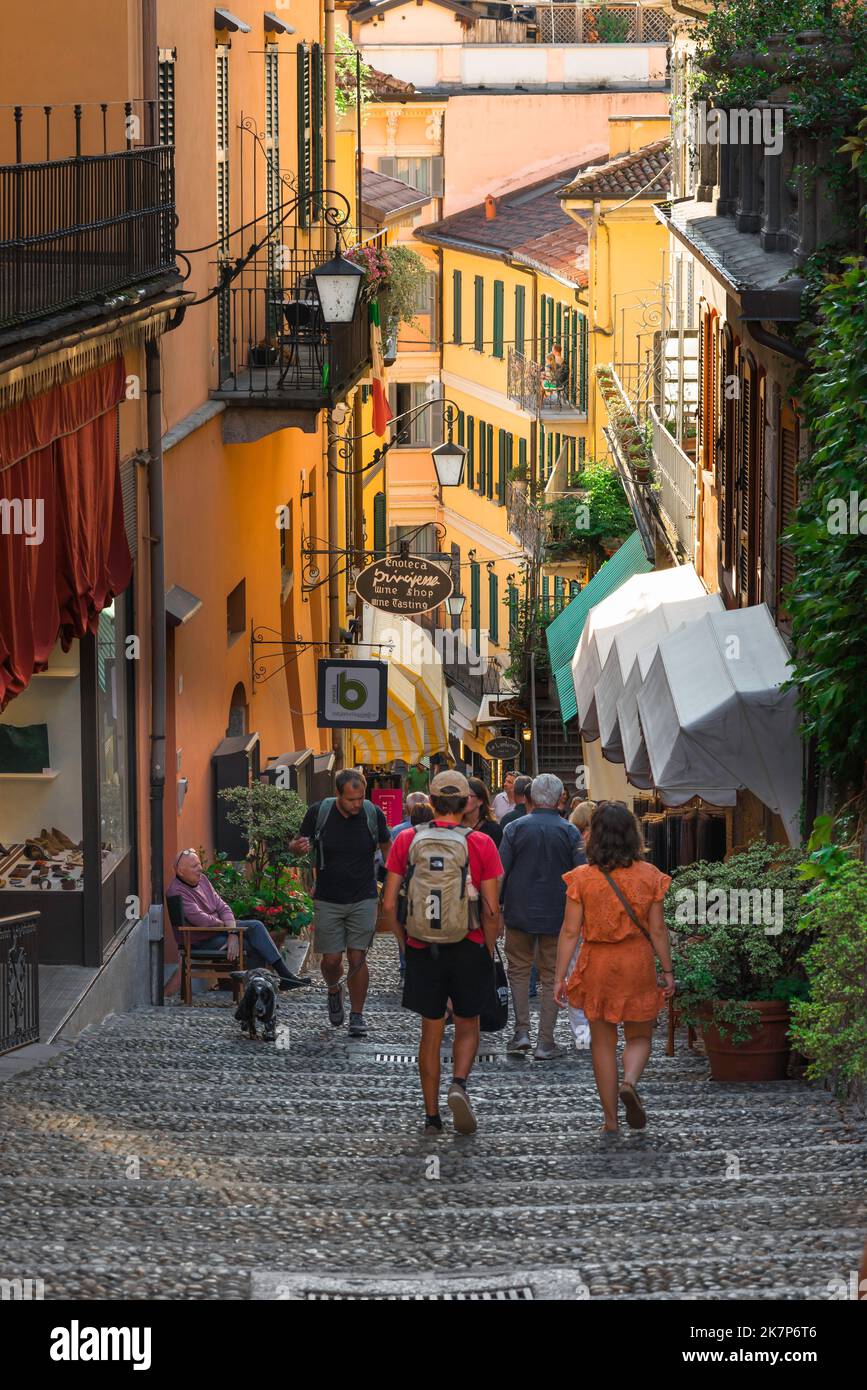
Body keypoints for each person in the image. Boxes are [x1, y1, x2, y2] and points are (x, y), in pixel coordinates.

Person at [382, 771, 502, 1137]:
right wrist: (488, 947)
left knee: (430, 1033)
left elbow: (388, 903)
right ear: (467, 803)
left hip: (423, 947)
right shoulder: (481, 843)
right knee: (468, 1025)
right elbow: (492, 909)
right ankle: (459, 1085)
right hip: (469, 944)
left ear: (430, 803)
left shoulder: (406, 839)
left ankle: (432, 1117)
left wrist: (407, 945)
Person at [554, 801, 675, 1133]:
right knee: (639, 1036)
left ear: (594, 837)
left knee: (602, 1043)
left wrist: (560, 976)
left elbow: (569, 931)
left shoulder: (581, 879)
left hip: (597, 964)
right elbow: (658, 930)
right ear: (632, 835)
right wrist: (667, 971)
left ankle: (610, 1121)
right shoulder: (650, 876)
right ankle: (630, 1082)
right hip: (635, 962)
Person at [290, 770, 391, 1038]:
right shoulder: (319, 812)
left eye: (361, 798)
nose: (357, 804)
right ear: (338, 795)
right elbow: (299, 842)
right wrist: (297, 847)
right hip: (328, 897)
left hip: (364, 896)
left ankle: (357, 1015)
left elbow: (386, 843)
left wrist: (391, 875)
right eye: (351, 799)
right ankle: (334, 988)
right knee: (332, 959)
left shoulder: (372, 813)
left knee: (357, 957)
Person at [500, 774, 586, 1060]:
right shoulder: (570, 832)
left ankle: (521, 1031)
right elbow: (581, 878)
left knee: (519, 971)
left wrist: (496, 909)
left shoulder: (514, 829)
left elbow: (502, 873)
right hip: (558, 917)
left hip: (518, 912)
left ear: (530, 798)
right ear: (561, 798)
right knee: (552, 975)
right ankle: (544, 1041)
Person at [168, 851, 310, 991]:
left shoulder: (203, 880)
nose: (200, 868)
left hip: (219, 931)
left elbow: (223, 907)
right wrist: (230, 930)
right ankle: (262, 988)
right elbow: (203, 921)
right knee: (254, 945)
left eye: (199, 864)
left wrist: (232, 933)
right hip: (200, 940)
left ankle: (279, 979)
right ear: (181, 871)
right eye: (194, 866)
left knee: (256, 926)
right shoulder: (177, 891)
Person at [564, 801, 597, 1050]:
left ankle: (584, 1035)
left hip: (576, 917)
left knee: (575, 976)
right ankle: (598, 1029)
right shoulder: (607, 845)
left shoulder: (572, 839)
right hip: (599, 923)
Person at [463, 776, 503, 848]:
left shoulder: (493, 830)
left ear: (480, 801)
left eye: (468, 796)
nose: (463, 800)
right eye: (461, 796)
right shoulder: (454, 826)